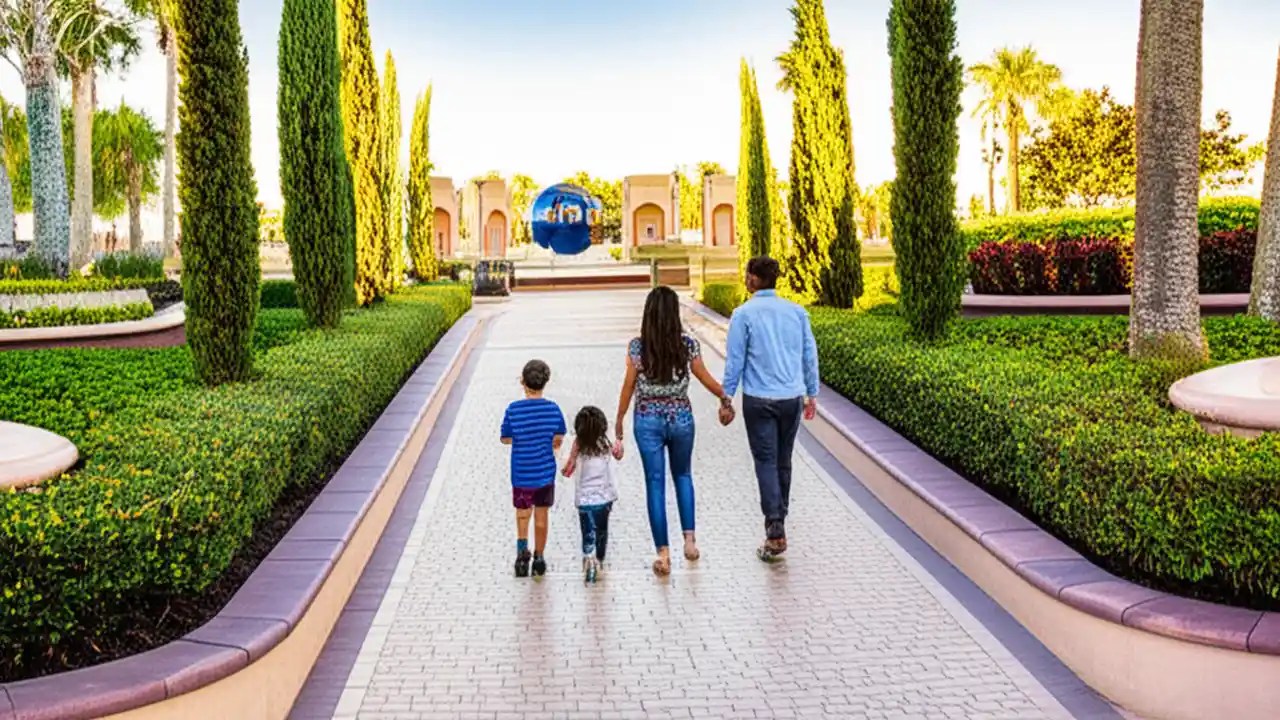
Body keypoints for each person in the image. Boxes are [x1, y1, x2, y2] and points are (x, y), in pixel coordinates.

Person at [616, 285, 732, 576]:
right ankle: (690, 542)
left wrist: (619, 419)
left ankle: (663, 555)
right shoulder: (688, 345)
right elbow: (704, 377)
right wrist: (724, 397)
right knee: (683, 476)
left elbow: (628, 386)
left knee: (655, 483)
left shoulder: (637, 347)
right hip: (681, 418)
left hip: (646, 420)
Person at [720, 257, 819, 562]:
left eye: (748, 274)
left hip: (758, 400)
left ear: (754, 279)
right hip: (791, 398)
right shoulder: (796, 312)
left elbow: (735, 359)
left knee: (765, 461)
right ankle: (779, 522)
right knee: (783, 461)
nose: (745, 279)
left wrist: (726, 397)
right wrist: (812, 393)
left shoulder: (743, 314)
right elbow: (809, 353)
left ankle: (775, 527)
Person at [500, 359, 566, 577]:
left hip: (521, 474)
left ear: (523, 381)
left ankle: (521, 556)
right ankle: (539, 557)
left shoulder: (513, 410)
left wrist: (521, 438)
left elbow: (505, 438)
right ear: (546, 382)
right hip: (545, 473)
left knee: (522, 515)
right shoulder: (553, 409)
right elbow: (558, 438)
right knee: (541, 516)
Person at [561, 406, 622, 584]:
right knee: (602, 530)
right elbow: (618, 454)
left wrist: (564, 468)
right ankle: (600, 558)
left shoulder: (578, 444)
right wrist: (619, 445)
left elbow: (569, 467)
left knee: (587, 531)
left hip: (585, 499)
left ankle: (589, 559)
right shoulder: (605, 443)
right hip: (604, 497)